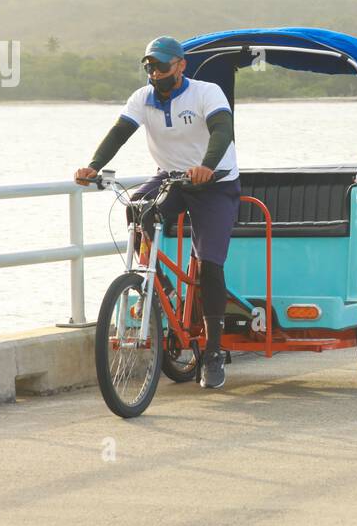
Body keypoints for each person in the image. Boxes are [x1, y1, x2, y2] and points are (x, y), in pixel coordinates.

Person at [74, 36, 240, 388]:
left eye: (161, 65)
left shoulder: (206, 92)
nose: (154, 72)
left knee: (210, 262)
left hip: (214, 182)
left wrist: (207, 166)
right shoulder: (142, 98)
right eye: (149, 65)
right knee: (137, 209)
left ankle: (211, 353)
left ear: (180, 66)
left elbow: (222, 130)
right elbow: (120, 132)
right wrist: (93, 166)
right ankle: (157, 285)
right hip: (172, 178)